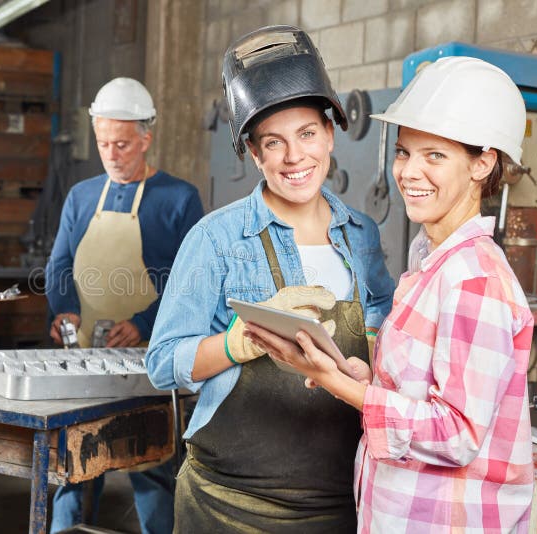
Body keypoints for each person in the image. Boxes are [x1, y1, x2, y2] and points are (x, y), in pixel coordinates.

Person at [252, 56, 535, 532]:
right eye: (404, 152)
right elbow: (421, 389)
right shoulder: (431, 259)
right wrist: (358, 373)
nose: (409, 171)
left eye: (435, 156)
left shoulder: (475, 278)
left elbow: (456, 432)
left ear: (482, 163)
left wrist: (339, 383)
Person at [145, 25, 395, 533]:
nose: (294, 157)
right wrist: (237, 344)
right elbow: (161, 363)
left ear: (329, 132)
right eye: (273, 143)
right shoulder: (216, 238)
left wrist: (371, 350)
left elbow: (383, 329)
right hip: (226, 504)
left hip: (336, 501)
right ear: (254, 154)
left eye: (306, 134)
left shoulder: (362, 234)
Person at [44, 77, 204, 533]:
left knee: (150, 467)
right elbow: (58, 264)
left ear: (146, 139)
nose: (111, 154)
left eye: (122, 144)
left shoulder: (179, 199)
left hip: (145, 360)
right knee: (70, 464)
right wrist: (63, 310)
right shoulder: (80, 196)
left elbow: (190, 282)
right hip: (83, 360)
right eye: (103, 143)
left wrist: (143, 323)